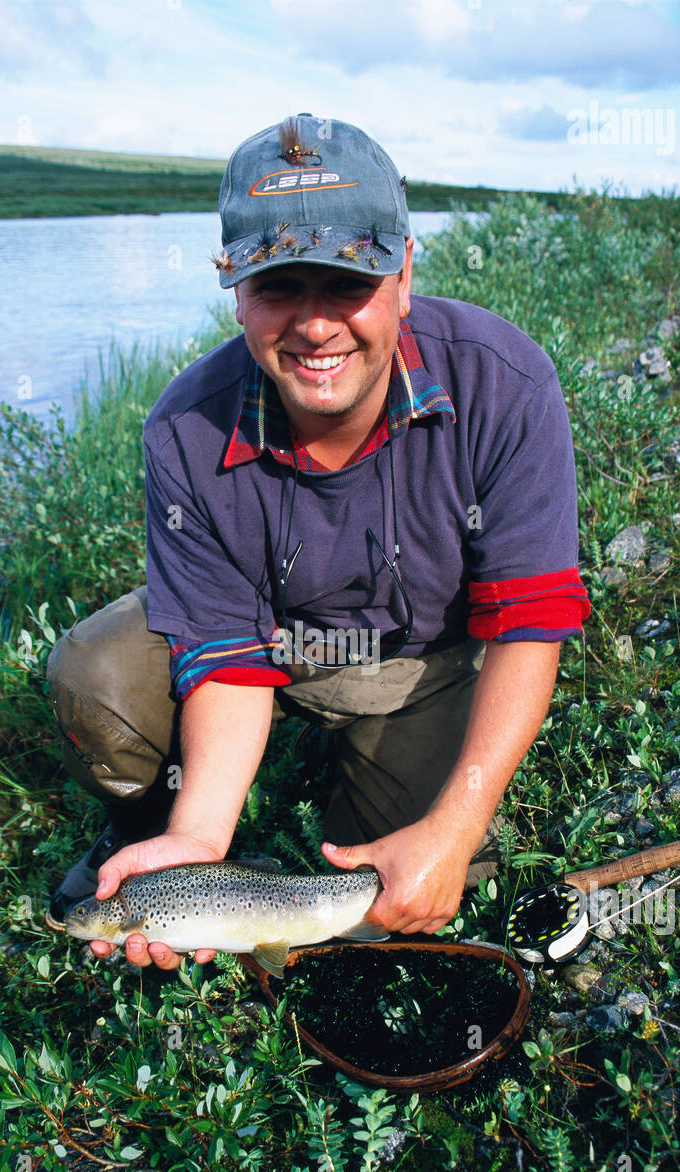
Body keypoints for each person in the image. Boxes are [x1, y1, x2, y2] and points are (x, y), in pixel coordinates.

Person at [45, 113, 590, 971]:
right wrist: (200, 835)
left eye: (346, 283)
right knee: (98, 675)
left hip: (416, 670)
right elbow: (225, 657)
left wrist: (455, 824)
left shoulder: (504, 382)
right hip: (265, 652)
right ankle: (152, 840)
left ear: (404, 274)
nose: (313, 326)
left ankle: (375, 781)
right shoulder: (184, 428)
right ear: (234, 289)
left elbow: (530, 625)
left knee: (398, 907)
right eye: (278, 287)